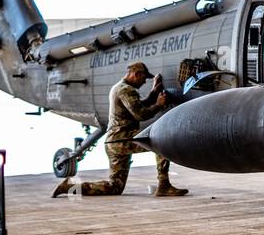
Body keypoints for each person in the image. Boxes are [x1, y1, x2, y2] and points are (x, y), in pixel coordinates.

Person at [52, 61, 188, 198]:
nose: (143, 82)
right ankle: (164, 185)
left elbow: (138, 106)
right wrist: (159, 105)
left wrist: (153, 93)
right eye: (143, 78)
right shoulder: (126, 90)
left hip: (114, 142)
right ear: (136, 74)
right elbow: (140, 114)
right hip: (123, 138)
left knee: (114, 186)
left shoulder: (119, 88)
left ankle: (68, 188)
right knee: (159, 140)